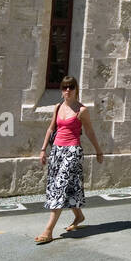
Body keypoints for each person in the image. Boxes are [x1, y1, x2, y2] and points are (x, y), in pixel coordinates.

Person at [36, 77, 104, 244]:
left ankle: (48, 230)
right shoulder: (58, 107)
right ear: (61, 90)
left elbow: (89, 132)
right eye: (65, 87)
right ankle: (79, 216)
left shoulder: (82, 110)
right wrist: (43, 149)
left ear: (76, 90)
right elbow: (51, 128)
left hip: (73, 151)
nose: (67, 90)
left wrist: (98, 151)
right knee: (66, 186)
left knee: (61, 186)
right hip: (57, 150)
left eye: (71, 87)